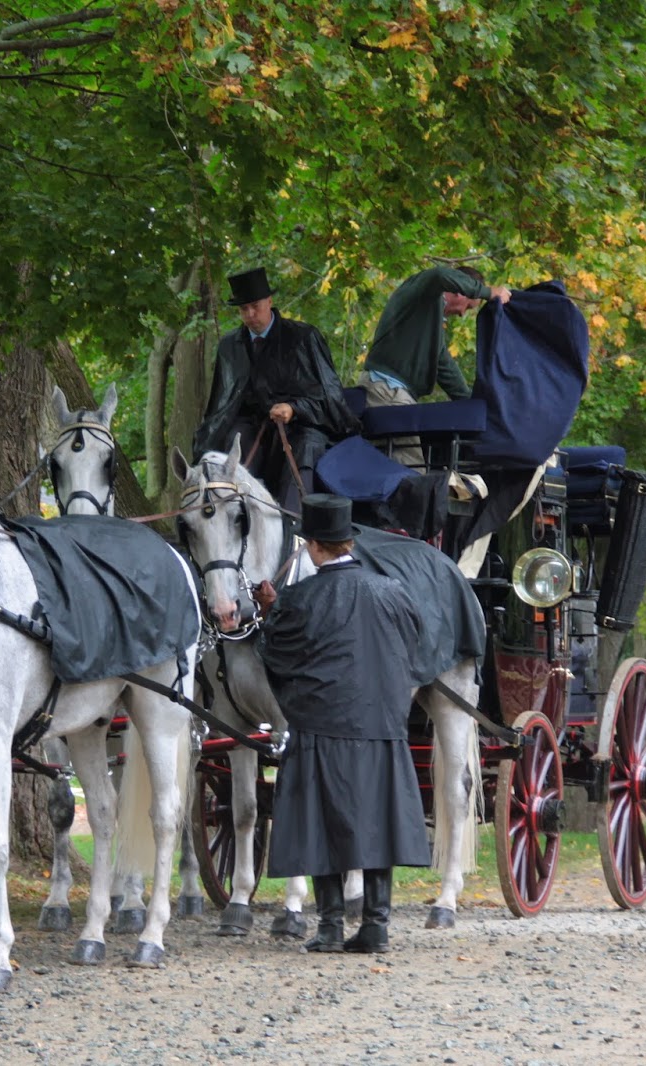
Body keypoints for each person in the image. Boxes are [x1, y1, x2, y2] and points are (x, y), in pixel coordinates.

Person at [253, 494, 430, 953]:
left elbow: (278, 655)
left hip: (322, 729)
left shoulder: (300, 597)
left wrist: (271, 615)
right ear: (350, 541)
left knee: (319, 824)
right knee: (378, 822)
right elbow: (413, 648)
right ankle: (376, 925)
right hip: (381, 729)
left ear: (313, 546)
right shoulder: (392, 591)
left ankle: (330, 926)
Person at [192, 267, 360, 513]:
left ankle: (293, 521)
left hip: (303, 425)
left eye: (255, 306)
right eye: (243, 309)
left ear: (269, 301)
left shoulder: (304, 338)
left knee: (302, 445)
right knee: (233, 442)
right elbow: (221, 406)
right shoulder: (230, 346)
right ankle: (231, 516)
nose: (250, 314)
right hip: (253, 425)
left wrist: (294, 408)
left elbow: (329, 398)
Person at [359, 265, 510, 468]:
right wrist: (489, 292)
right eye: (469, 306)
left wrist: (475, 408)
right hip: (388, 390)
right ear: (460, 290)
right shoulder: (424, 292)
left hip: (392, 393)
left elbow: (445, 367)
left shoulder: (430, 323)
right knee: (412, 473)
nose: (463, 314)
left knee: (388, 471)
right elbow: (439, 274)